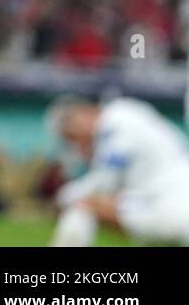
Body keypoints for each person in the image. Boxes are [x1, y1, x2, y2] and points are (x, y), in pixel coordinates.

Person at [48, 95, 189, 246]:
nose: (77, 144)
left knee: (82, 206)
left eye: (72, 137)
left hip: (171, 205)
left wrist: (66, 195)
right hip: (160, 200)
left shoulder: (117, 119)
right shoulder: (127, 115)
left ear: (81, 116)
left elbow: (106, 181)